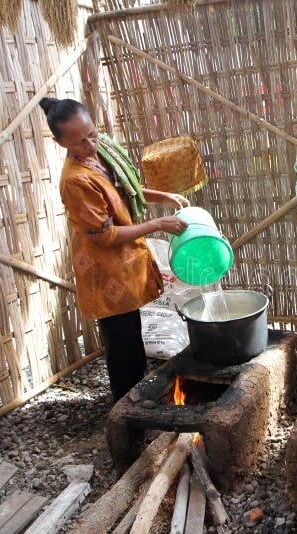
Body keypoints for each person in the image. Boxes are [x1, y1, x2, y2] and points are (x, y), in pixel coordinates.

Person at [40, 97, 188, 400]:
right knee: (122, 344)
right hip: (104, 270)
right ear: (59, 143)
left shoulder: (101, 152)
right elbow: (104, 235)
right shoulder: (75, 181)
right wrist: (158, 224)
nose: (91, 144)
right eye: (79, 142)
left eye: (92, 134)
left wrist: (165, 196)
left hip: (123, 263)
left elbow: (126, 187)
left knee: (131, 335)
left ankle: (138, 394)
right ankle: (126, 408)